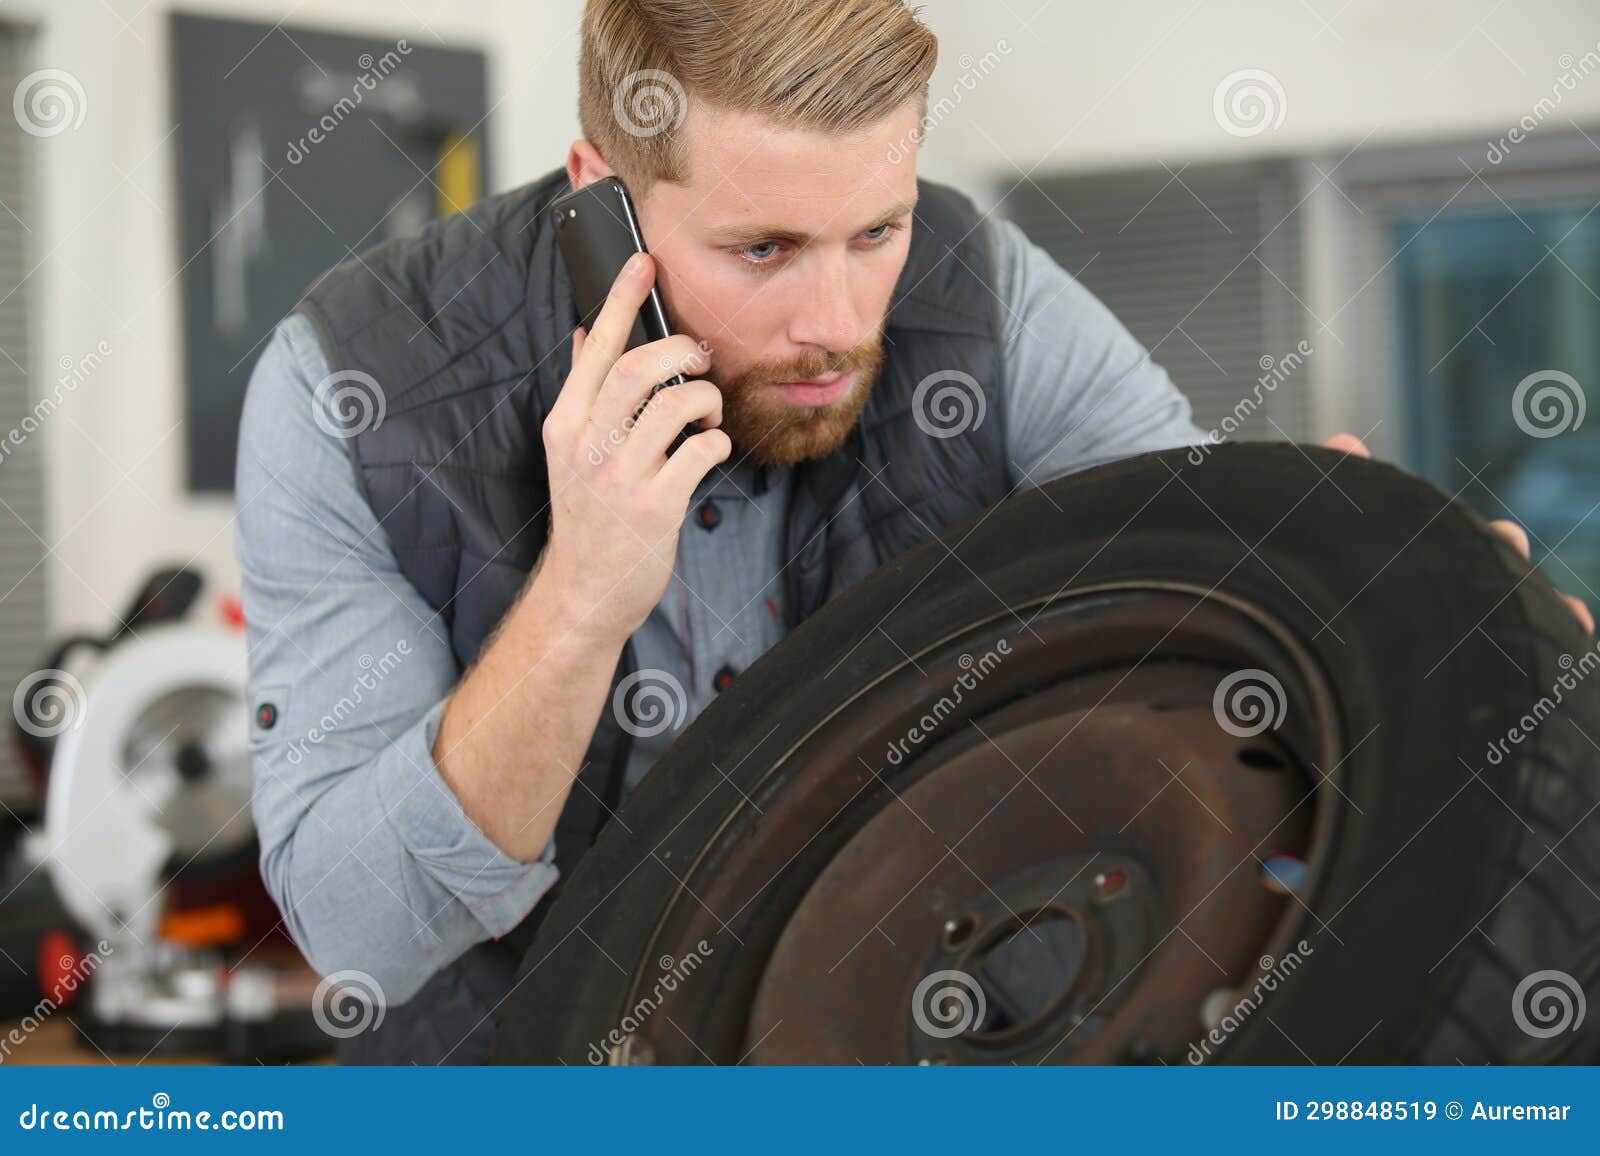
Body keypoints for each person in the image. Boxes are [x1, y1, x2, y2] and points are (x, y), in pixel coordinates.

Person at [234, 0, 1592, 1064]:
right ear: (604, 195)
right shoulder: (350, 392)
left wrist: (1433, 641)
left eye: (874, 228)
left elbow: (1201, 578)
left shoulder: (985, 292)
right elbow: (362, 933)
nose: (838, 320)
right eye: (762, 249)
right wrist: (583, 596)